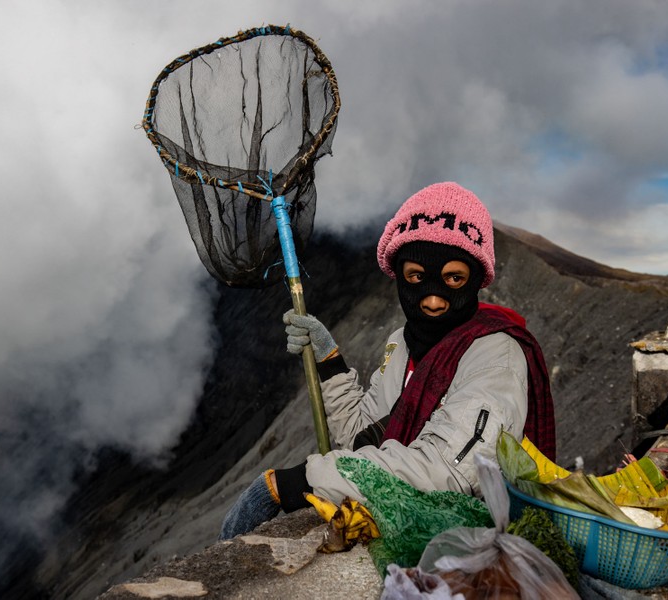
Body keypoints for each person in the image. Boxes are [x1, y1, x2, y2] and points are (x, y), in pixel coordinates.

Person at [219, 181, 555, 539]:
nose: (433, 300)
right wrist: (330, 361)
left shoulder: (495, 356)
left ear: (477, 279)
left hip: (463, 543)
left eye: (454, 278)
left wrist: (300, 480)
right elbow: (360, 440)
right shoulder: (405, 343)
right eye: (416, 277)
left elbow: (453, 470)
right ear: (400, 278)